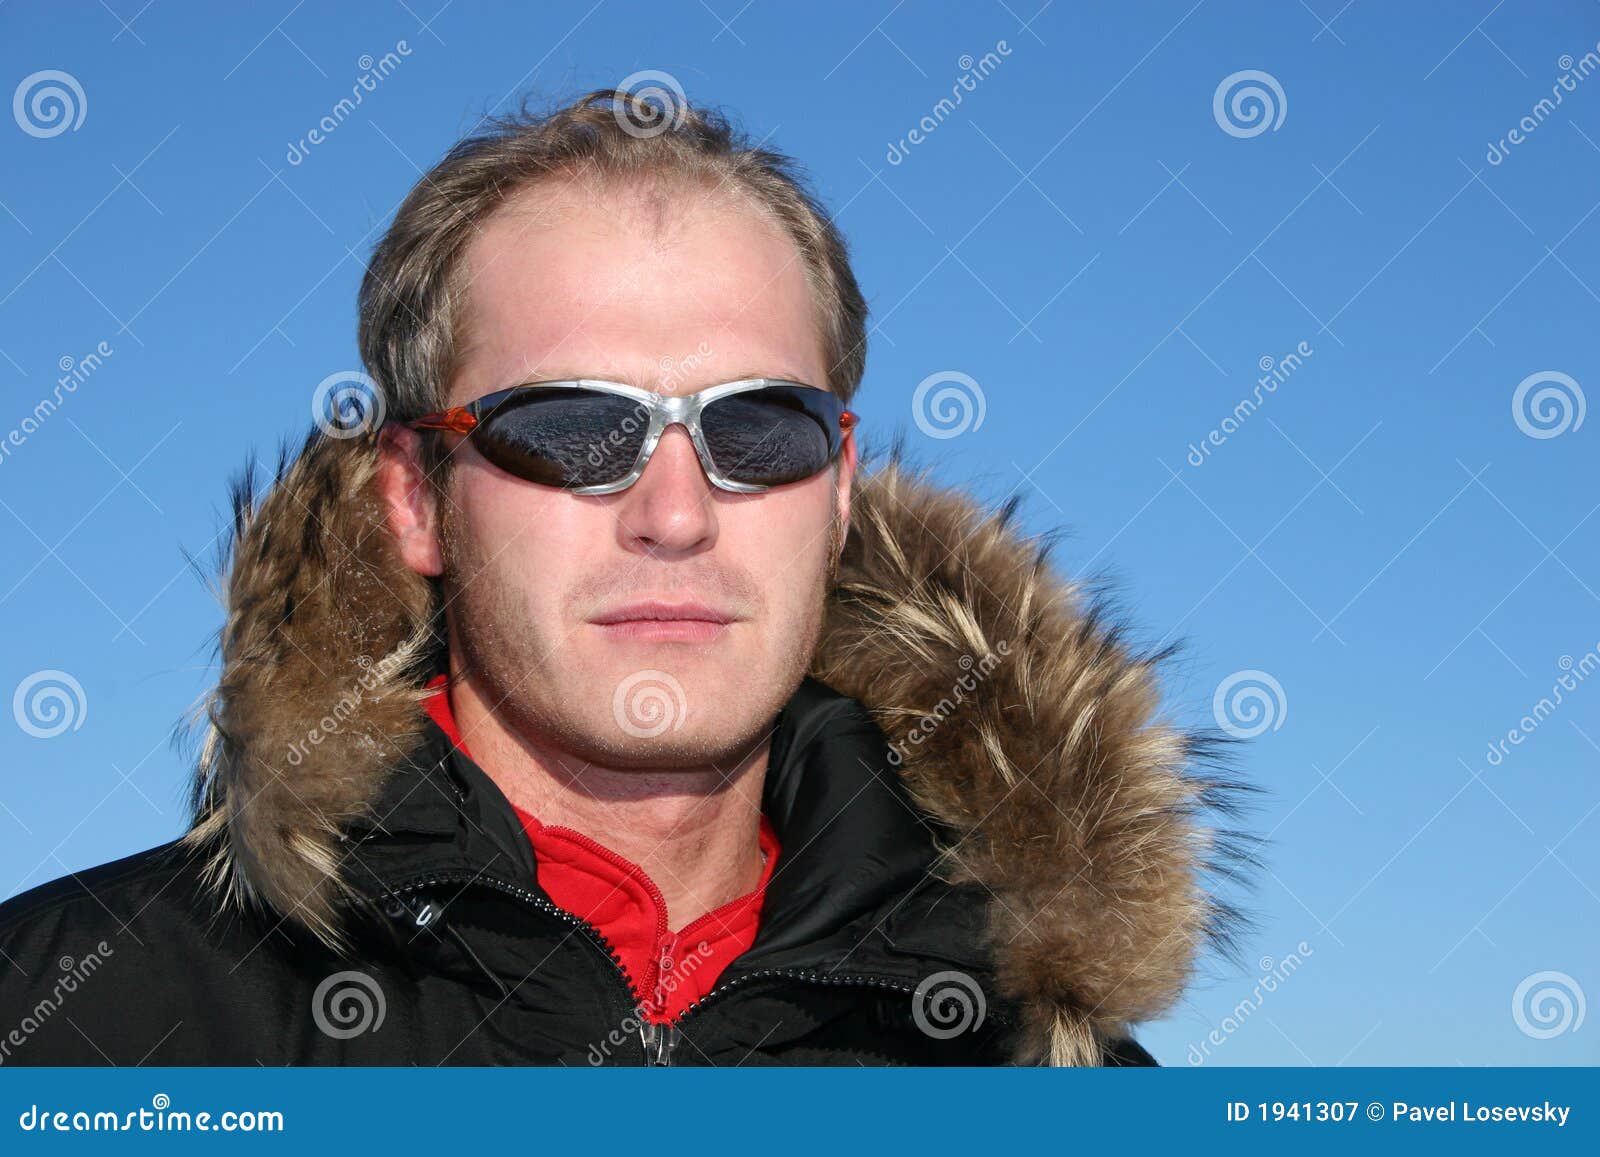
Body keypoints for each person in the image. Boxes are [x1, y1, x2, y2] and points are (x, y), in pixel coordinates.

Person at [0, 88, 1244, 1066]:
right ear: (416, 497)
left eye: (759, 427)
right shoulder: (81, 1019)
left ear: (839, 486)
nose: (676, 512)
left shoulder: (1052, 1081)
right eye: (570, 427)